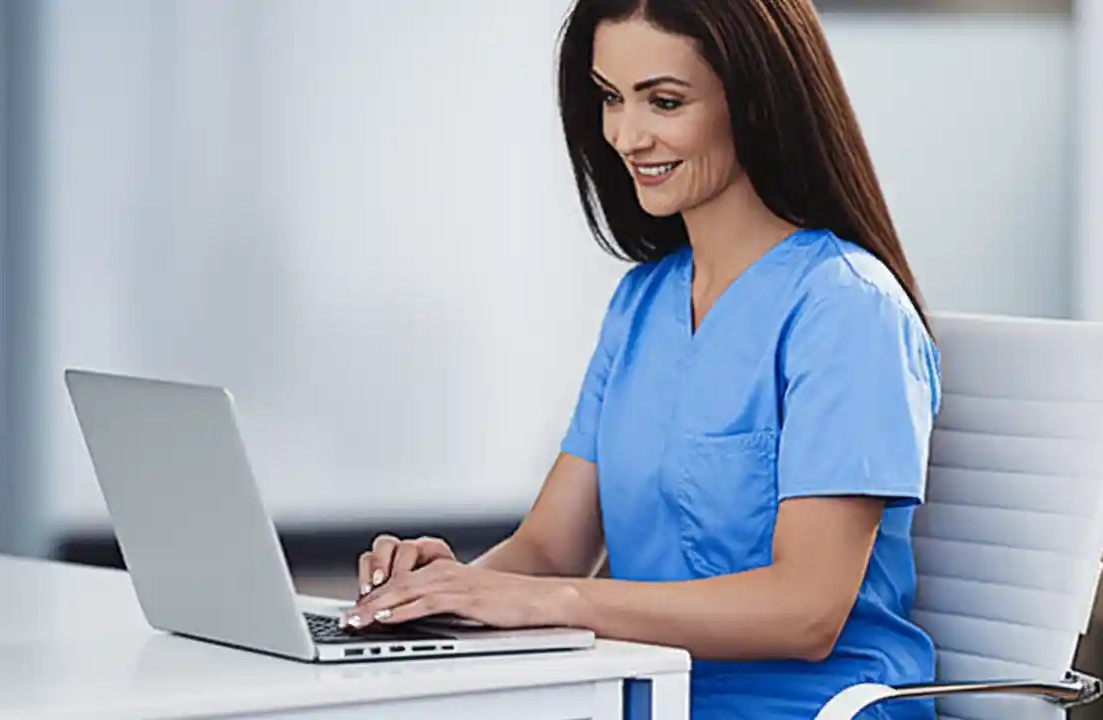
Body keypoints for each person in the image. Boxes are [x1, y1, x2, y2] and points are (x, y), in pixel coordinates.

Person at [342, 1, 941, 717]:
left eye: (665, 101)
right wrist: (444, 590)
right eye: (610, 98)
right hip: (639, 697)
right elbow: (551, 551)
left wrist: (553, 602)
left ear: (755, 102)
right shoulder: (643, 303)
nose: (627, 136)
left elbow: (805, 612)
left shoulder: (845, 307)